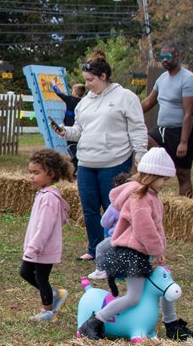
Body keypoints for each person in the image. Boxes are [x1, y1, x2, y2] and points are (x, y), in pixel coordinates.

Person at [94, 147, 193, 340]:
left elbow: (156, 226)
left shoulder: (150, 194)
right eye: (163, 179)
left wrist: (160, 250)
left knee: (165, 282)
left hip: (145, 251)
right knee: (133, 297)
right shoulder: (140, 197)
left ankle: (171, 325)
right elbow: (145, 229)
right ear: (152, 175)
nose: (165, 183)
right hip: (134, 254)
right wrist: (157, 250)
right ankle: (95, 322)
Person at [53, 50, 146, 261]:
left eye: (90, 80)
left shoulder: (125, 97)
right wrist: (65, 132)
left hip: (114, 161)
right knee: (89, 209)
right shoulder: (85, 102)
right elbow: (79, 130)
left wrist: (140, 156)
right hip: (86, 162)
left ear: (103, 76)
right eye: (85, 80)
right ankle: (94, 248)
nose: (87, 85)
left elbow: (138, 129)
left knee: (114, 208)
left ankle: (117, 247)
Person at [20, 149, 74, 322]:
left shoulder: (49, 198)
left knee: (40, 277)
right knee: (26, 273)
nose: (31, 176)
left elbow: (44, 227)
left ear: (51, 173)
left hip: (42, 248)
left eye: (36, 173)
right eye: (30, 172)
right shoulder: (44, 193)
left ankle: (48, 311)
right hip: (39, 247)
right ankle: (54, 296)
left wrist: (34, 247)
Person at [141, 41, 193, 197]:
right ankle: (163, 164)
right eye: (161, 57)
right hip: (162, 131)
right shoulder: (161, 79)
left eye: (168, 56)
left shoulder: (188, 79)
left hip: (182, 131)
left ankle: (185, 206)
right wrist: (129, 112)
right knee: (142, 139)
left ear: (177, 56)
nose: (164, 60)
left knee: (182, 174)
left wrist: (183, 142)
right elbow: (148, 102)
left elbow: (188, 113)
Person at [50, 80, 86, 168]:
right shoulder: (83, 101)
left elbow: (59, 94)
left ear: (75, 92)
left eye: (73, 90)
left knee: (70, 143)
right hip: (79, 123)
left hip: (69, 123)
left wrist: (54, 85)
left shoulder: (70, 99)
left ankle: (74, 161)